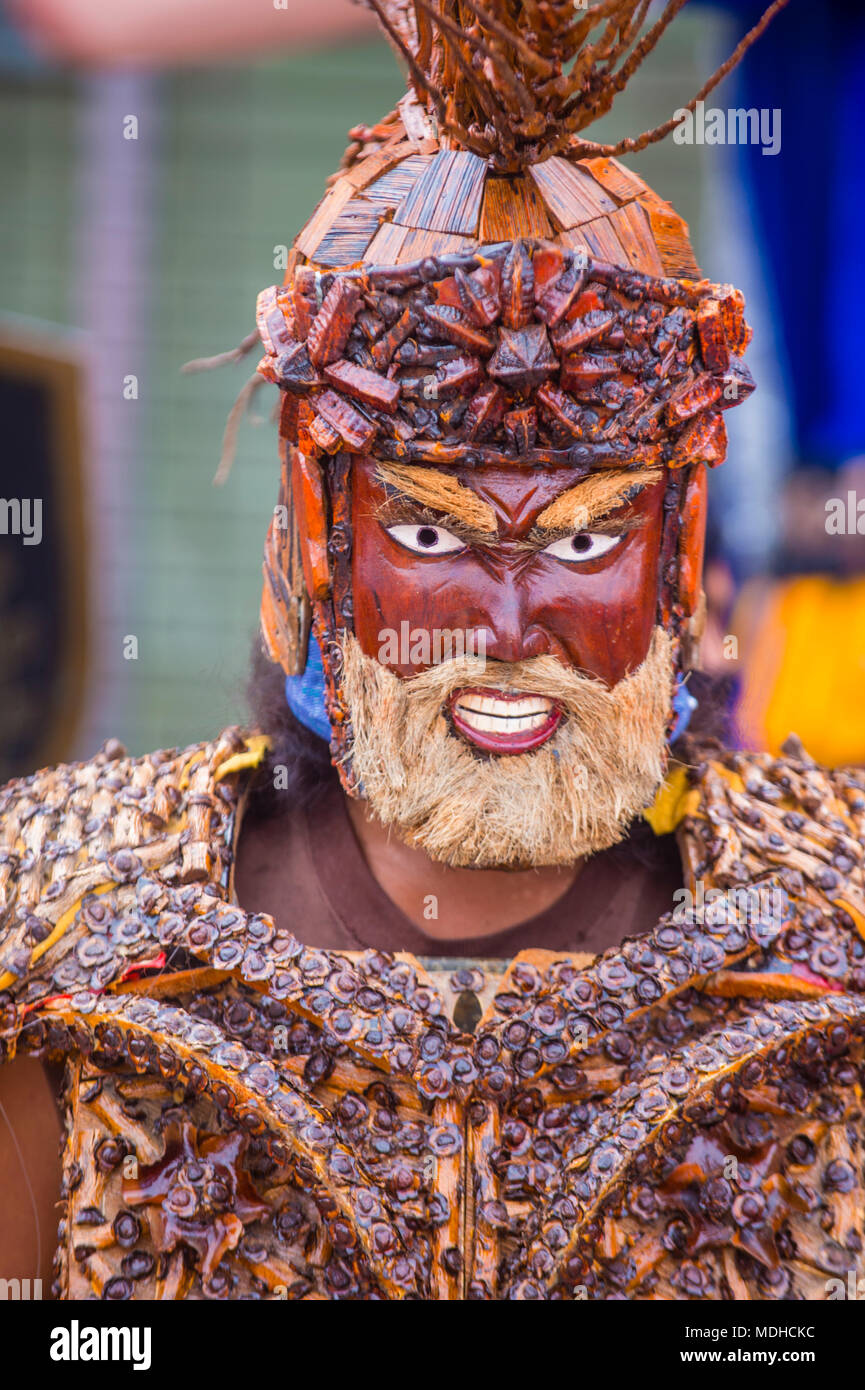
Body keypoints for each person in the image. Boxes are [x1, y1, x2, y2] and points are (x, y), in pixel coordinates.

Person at [2, 0, 864, 1302]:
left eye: (582, 546)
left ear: (683, 558)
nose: (509, 630)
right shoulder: (60, 942)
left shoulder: (830, 939)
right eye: (428, 528)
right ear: (313, 537)